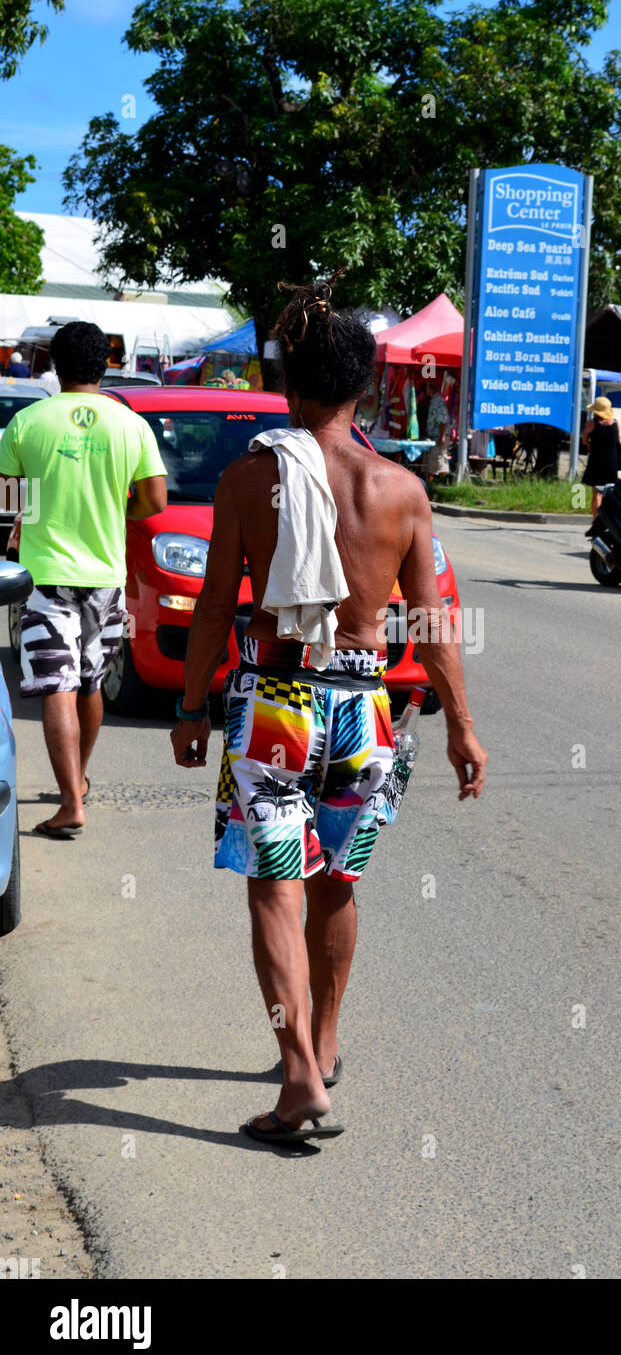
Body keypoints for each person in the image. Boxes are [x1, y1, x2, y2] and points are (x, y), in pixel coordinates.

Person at [170, 276, 487, 1145]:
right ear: (365, 388)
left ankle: (301, 1074)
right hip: (365, 709)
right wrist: (460, 724)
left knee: (274, 891)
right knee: (337, 885)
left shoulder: (250, 479)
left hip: (277, 698)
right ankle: (328, 1044)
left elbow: (209, 609)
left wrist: (193, 706)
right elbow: (428, 623)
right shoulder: (402, 490)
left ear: (292, 386)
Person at [0, 321, 167, 838]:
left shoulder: (25, 424)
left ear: (54, 364)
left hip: (46, 576)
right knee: (91, 681)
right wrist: (117, 507)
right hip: (105, 576)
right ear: (104, 366)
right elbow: (155, 501)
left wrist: (36, 511)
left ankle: (72, 799)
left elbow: (9, 503)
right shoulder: (130, 424)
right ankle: (79, 782)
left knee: (57, 685)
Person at [581, 397, 621, 515]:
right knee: (609, 494)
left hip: (597, 463)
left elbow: (584, 441)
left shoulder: (591, 424)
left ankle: (597, 521)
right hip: (612, 463)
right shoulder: (615, 424)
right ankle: (609, 522)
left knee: (596, 495)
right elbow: (618, 442)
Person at [424, 377, 450, 479]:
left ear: (431, 389)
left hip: (439, 436)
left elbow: (442, 420)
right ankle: (434, 482)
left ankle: (443, 482)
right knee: (433, 463)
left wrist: (442, 436)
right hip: (434, 436)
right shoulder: (433, 401)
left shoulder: (438, 402)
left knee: (440, 461)